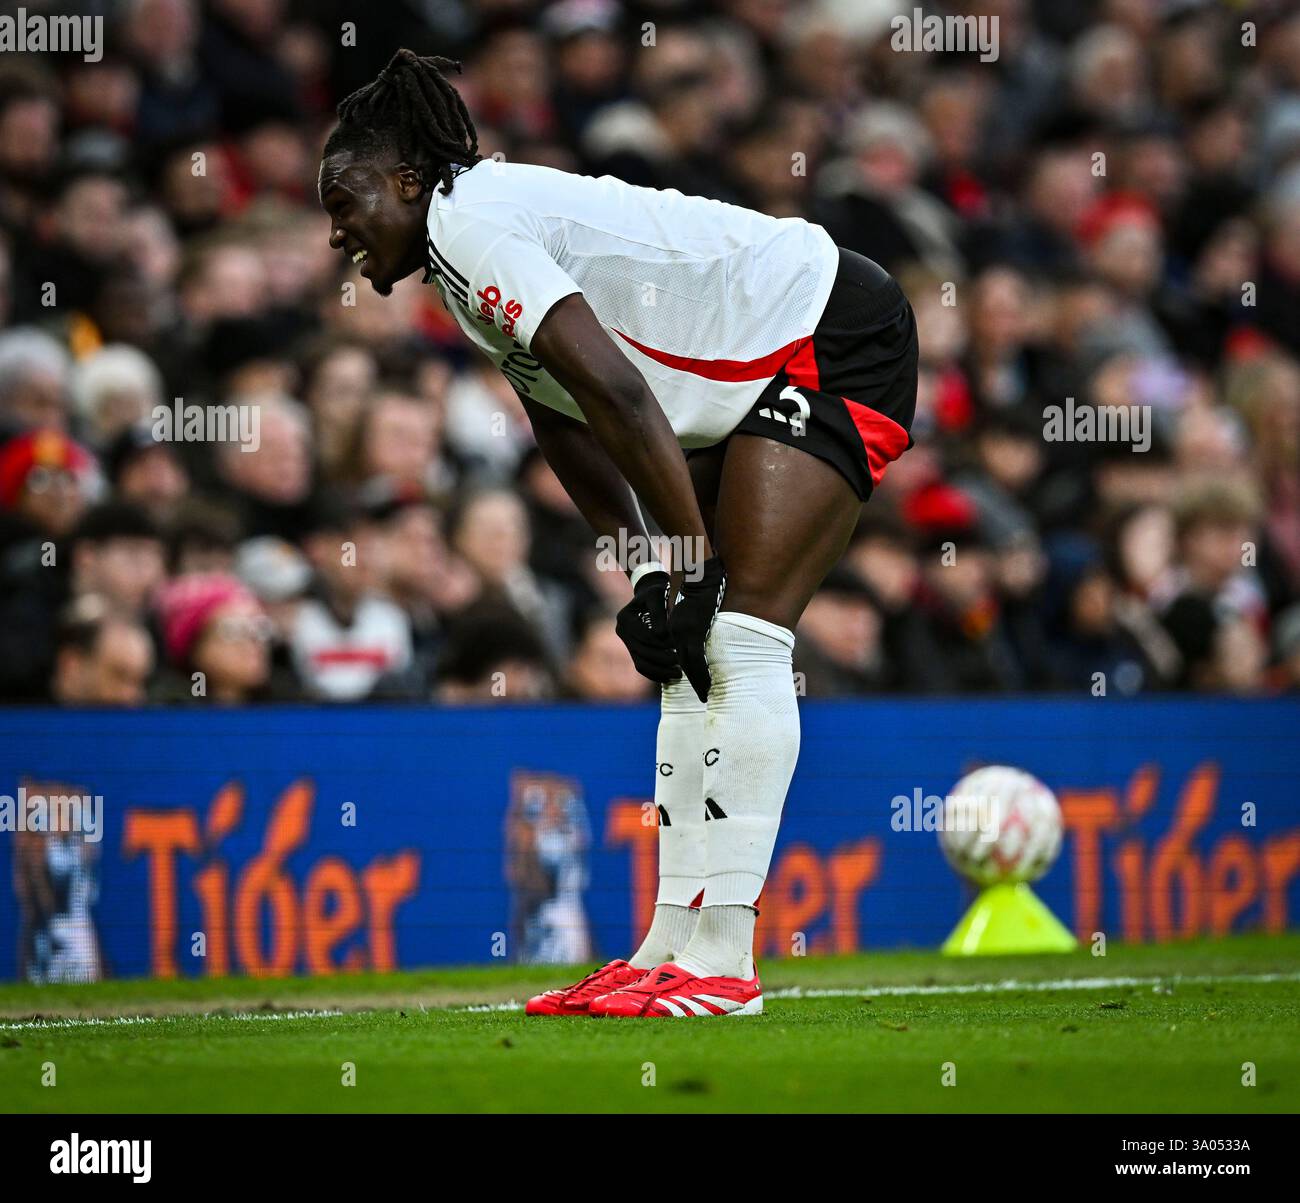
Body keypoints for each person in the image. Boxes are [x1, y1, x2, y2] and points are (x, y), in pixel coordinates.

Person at [318, 50, 918, 1018]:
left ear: (402, 180)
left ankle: (725, 965)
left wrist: (683, 572)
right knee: (688, 658)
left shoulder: (468, 223)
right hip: (746, 381)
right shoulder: (455, 256)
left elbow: (624, 398)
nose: (337, 232)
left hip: (829, 331)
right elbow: (563, 418)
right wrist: (648, 578)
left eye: (344, 203)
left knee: (738, 635)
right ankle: (665, 947)